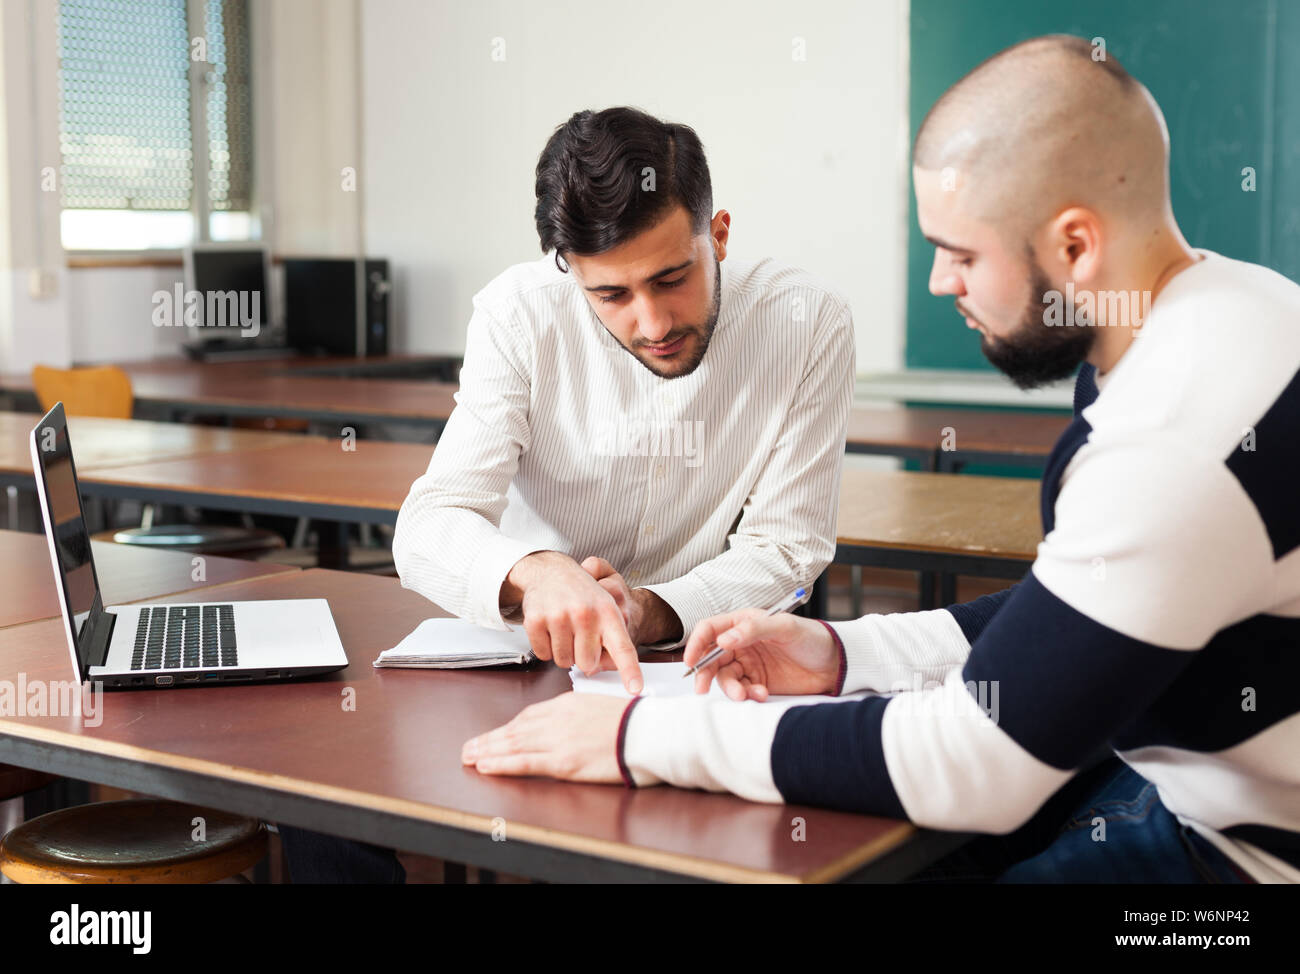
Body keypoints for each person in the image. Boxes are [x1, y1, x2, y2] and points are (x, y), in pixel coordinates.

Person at [462, 36, 1300, 884]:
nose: (941, 282)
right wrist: (840, 652)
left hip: (1239, 862)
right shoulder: (1233, 306)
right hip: (1177, 782)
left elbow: (978, 765)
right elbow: (1071, 609)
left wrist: (636, 737)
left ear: (1075, 246)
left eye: (964, 254)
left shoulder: (1176, 442)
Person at [281, 105, 855, 882]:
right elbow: (427, 526)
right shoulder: (519, 316)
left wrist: (649, 607)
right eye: (610, 295)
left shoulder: (806, 322)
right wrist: (537, 570)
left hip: (696, 671)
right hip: (531, 668)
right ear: (566, 270)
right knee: (327, 811)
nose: (651, 322)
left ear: (717, 234)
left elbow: (789, 555)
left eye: (671, 278)